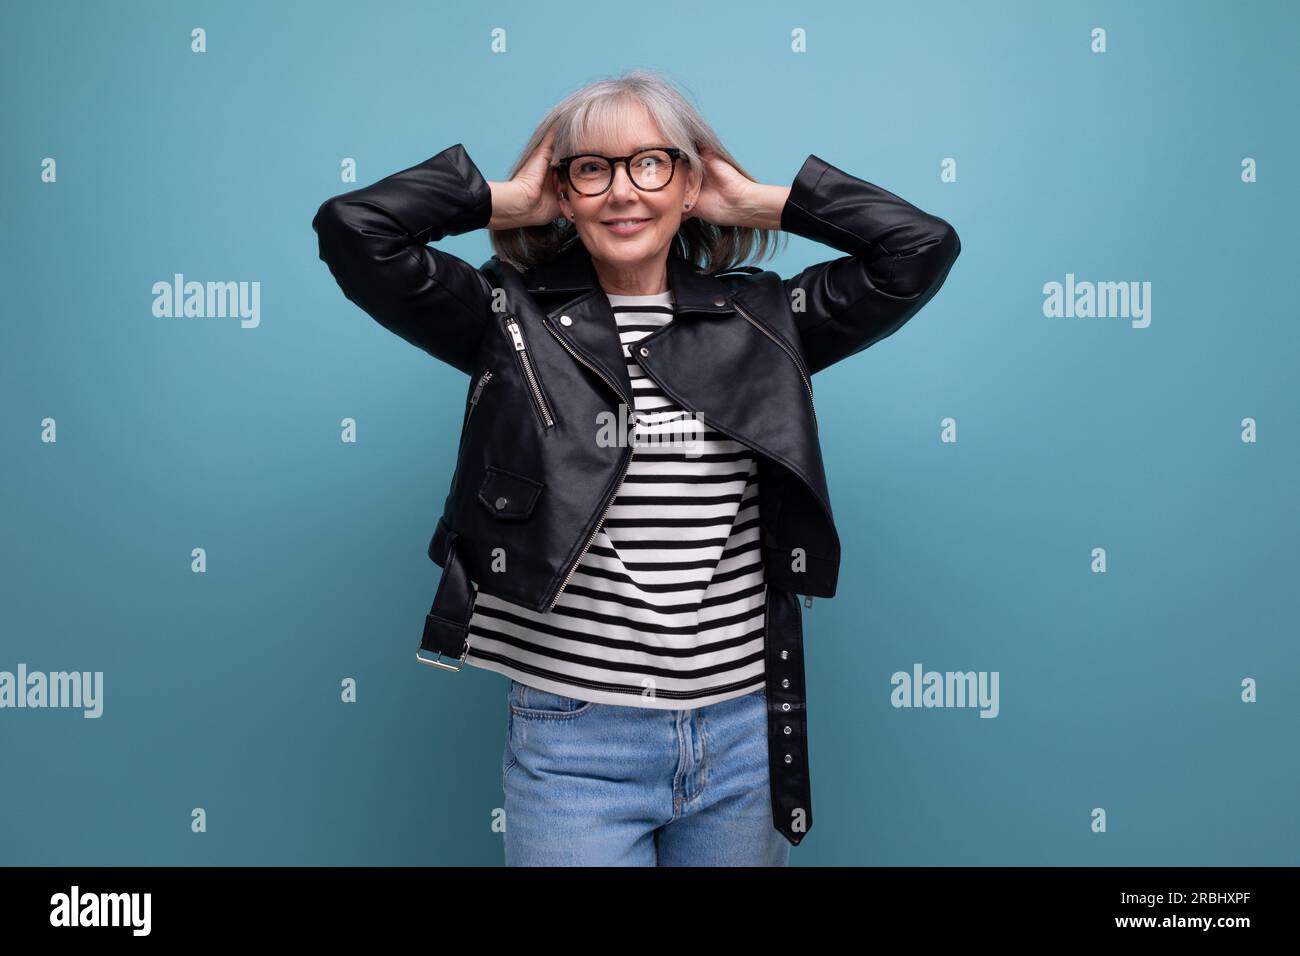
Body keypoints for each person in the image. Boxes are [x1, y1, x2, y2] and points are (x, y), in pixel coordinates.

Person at [312, 69, 961, 866]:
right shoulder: (504, 316)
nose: (624, 191)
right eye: (593, 168)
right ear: (566, 191)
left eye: (652, 164)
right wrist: (503, 200)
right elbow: (353, 230)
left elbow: (920, 247)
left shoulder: (764, 321)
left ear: (689, 182)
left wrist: (764, 201)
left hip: (742, 736)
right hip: (574, 739)